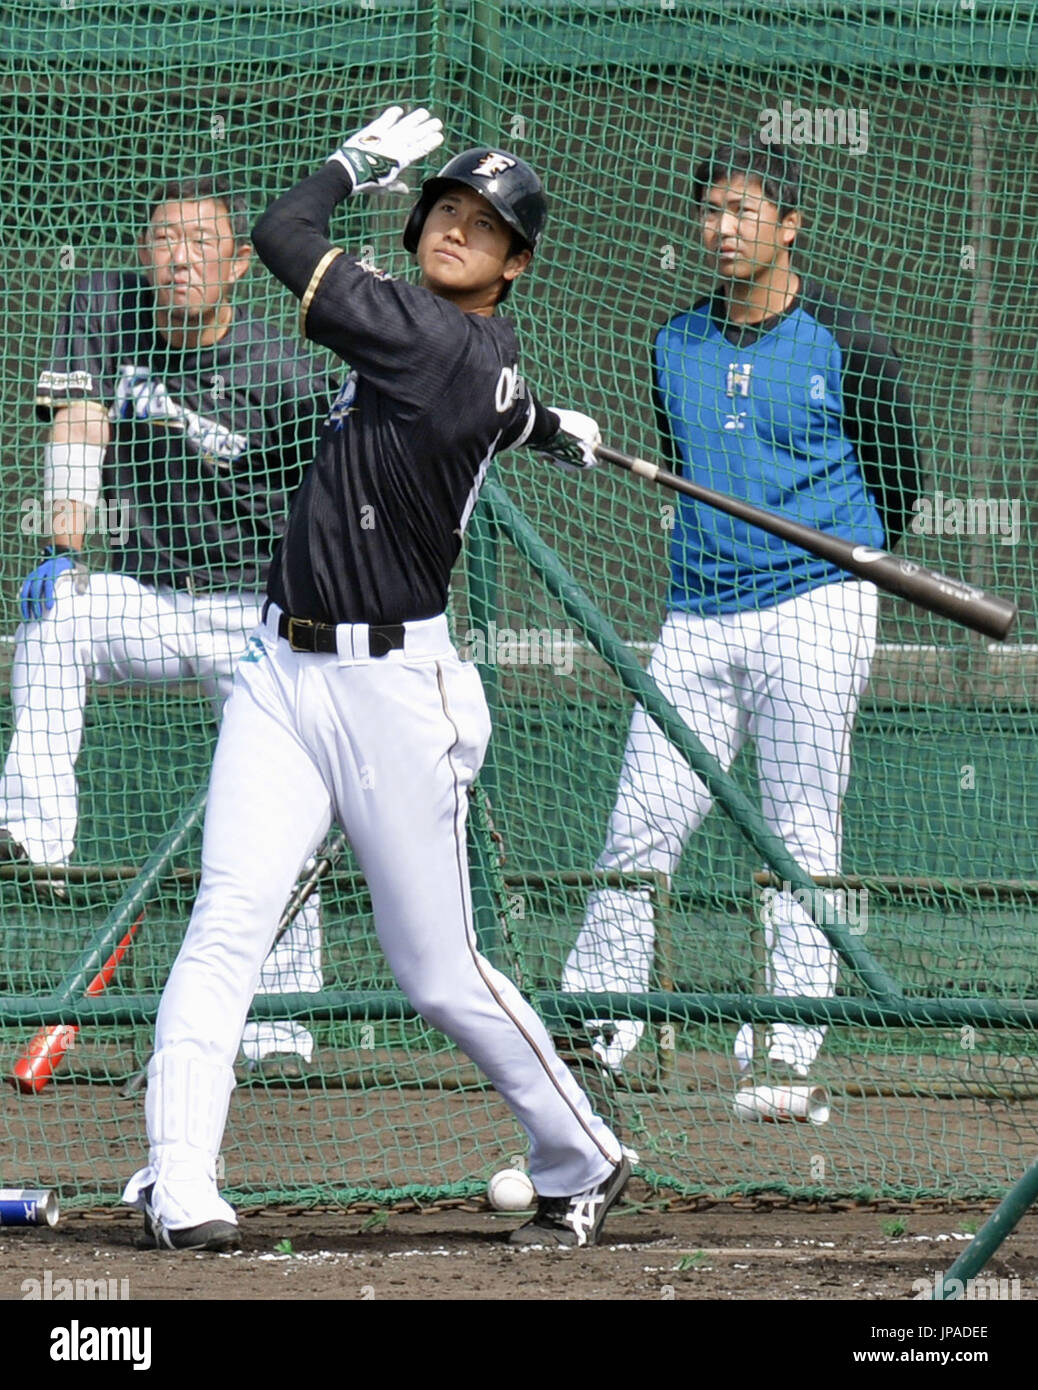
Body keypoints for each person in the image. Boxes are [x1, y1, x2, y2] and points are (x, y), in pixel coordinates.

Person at [121, 106, 629, 1252]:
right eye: (443, 207)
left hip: (398, 693)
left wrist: (351, 164)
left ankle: (582, 1152)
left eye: (485, 224)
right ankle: (182, 1181)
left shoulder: (429, 337)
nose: (456, 226)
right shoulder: (467, 359)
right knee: (226, 922)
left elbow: (284, 232)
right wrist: (537, 424)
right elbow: (473, 402)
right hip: (281, 670)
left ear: (516, 265)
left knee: (438, 972)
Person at [562, 134, 920, 1112]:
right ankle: (603, 1022)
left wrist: (831, 559)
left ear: (789, 225)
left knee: (801, 823)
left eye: (744, 212)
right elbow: (688, 455)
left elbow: (898, 475)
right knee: (643, 815)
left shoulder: (846, 338)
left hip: (819, 604)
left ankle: (789, 1036)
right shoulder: (674, 341)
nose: (722, 230)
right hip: (699, 614)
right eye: (711, 212)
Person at [0, 176, 334, 1074]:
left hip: (249, 612)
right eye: (163, 239)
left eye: (200, 242)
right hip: (148, 597)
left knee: (289, 796)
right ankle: (34, 832)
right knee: (61, 611)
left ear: (236, 261)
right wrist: (67, 538)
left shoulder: (286, 369)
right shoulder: (106, 307)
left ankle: (278, 1020)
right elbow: (78, 422)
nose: (179, 256)